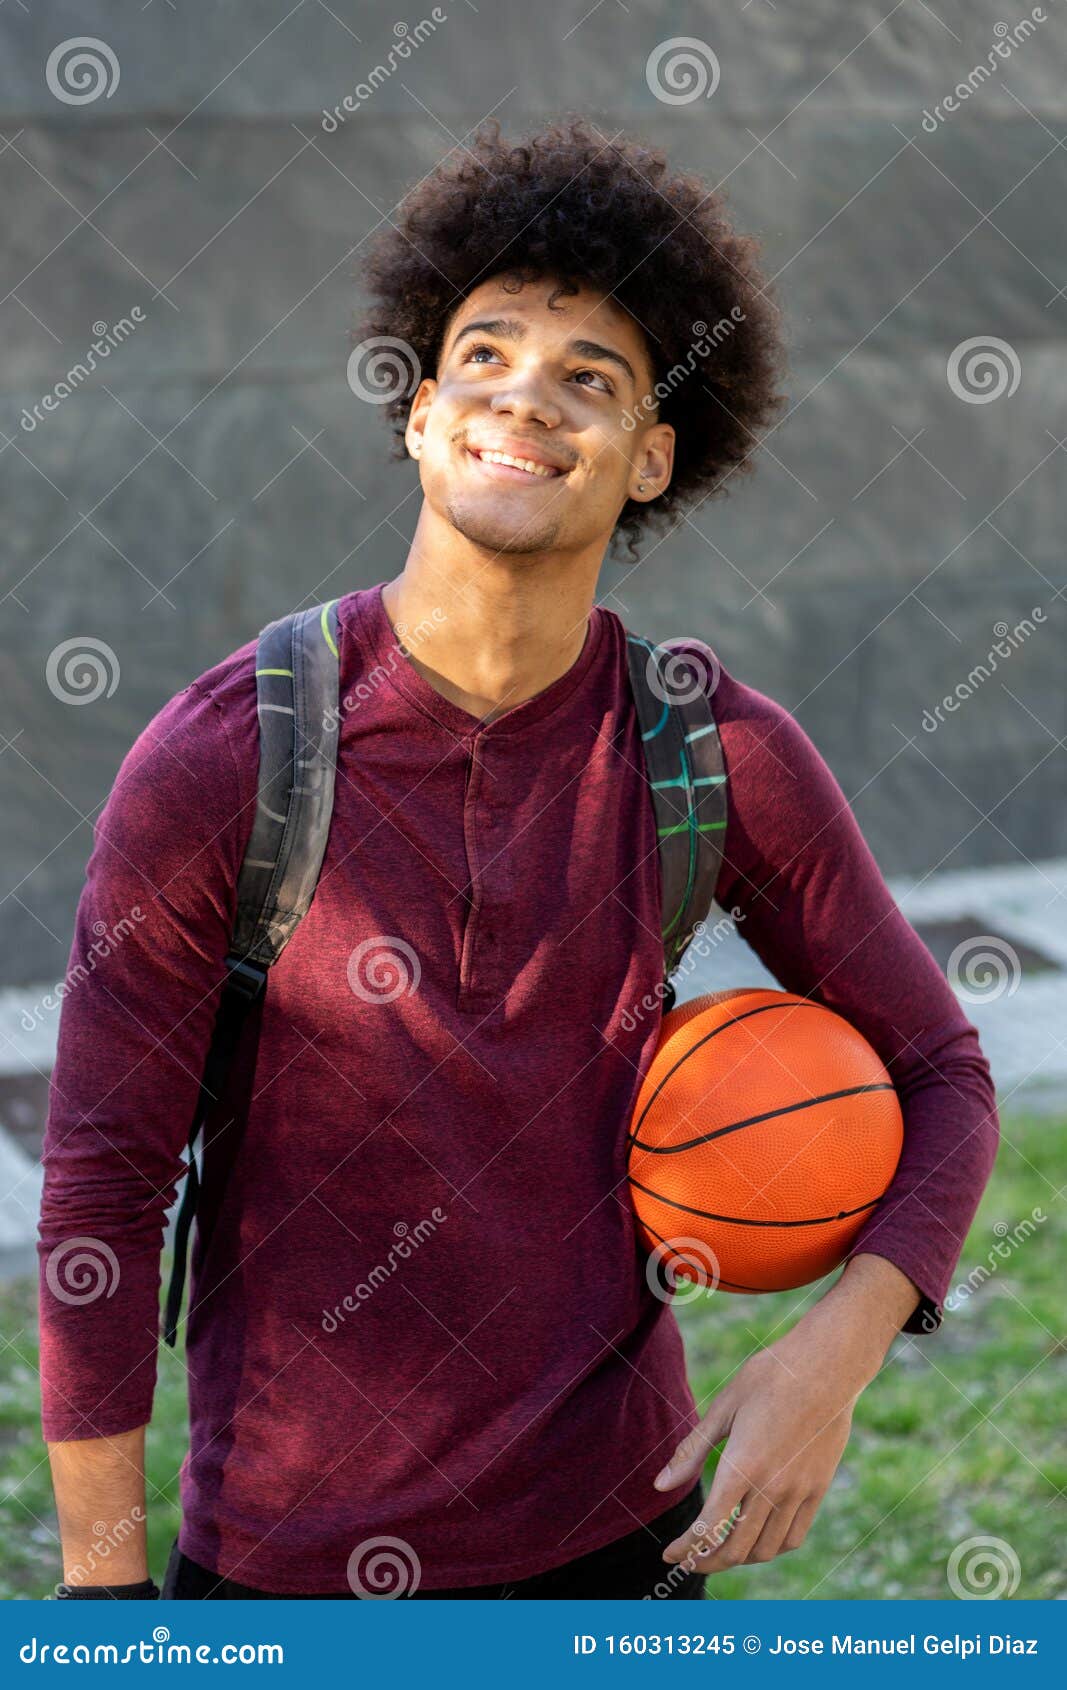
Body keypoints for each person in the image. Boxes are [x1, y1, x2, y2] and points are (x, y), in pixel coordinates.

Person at [39, 116, 998, 1601]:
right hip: (285, 1570)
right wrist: (103, 1601)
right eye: (482, 357)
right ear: (420, 416)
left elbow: (944, 1071)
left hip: (623, 1544)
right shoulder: (228, 757)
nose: (523, 400)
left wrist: (837, 1351)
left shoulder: (713, 756)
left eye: (589, 378)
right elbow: (101, 1184)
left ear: (654, 453)